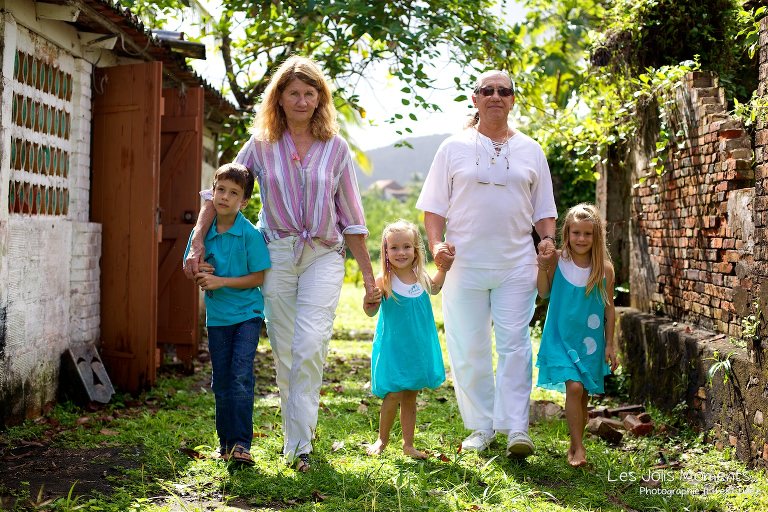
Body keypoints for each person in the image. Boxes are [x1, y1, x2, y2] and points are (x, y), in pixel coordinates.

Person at [184, 56, 377, 473]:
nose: (302, 100)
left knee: (310, 344)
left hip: (324, 254)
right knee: (288, 347)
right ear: (280, 98)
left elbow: (353, 218)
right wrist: (197, 239)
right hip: (278, 253)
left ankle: (301, 443)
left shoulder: (337, 148)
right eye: (294, 93)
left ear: (320, 99)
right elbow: (219, 191)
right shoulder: (260, 145)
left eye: (310, 93)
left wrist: (368, 278)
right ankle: (297, 443)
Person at [416, 69, 558, 458]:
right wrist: (436, 244)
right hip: (464, 264)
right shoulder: (452, 147)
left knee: (515, 344)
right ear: (475, 99)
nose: (496, 96)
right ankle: (481, 426)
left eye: (503, 91)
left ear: (513, 100)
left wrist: (546, 240)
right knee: (468, 344)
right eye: (487, 90)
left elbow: (544, 210)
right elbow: (433, 208)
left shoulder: (532, 149)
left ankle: (515, 427)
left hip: (516, 263)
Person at [183, 163, 271, 466]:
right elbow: (188, 266)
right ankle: (225, 444)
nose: (224, 197)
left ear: (243, 202)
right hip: (218, 318)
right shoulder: (203, 234)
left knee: (240, 376)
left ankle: (242, 444)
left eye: (233, 193)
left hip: (247, 315)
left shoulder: (249, 235)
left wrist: (220, 281)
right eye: (220, 190)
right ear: (213, 192)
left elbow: (259, 277)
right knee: (221, 380)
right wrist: (198, 271)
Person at [535, 203, 618, 467]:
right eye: (576, 233)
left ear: (596, 237)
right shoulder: (559, 260)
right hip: (559, 337)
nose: (581, 239)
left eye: (587, 234)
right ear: (567, 233)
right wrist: (542, 267)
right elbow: (544, 293)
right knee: (574, 386)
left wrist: (611, 345)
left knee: (581, 397)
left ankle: (574, 444)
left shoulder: (603, 270)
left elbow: (609, 309)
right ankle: (579, 448)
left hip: (589, 343)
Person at [362, 220, 449, 459]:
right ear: (386, 252)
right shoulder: (384, 281)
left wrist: (443, 268)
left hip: (417, 347)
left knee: (411, 395)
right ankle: (382, 439)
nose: (401, 252)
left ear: (416, 250)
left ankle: (408, 445)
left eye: (407, 247)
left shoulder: (420, 275)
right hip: (394, 348)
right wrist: (367, 301)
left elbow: (435, 288)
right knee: (393, 394)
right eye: (395, 248)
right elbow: (371, 311)